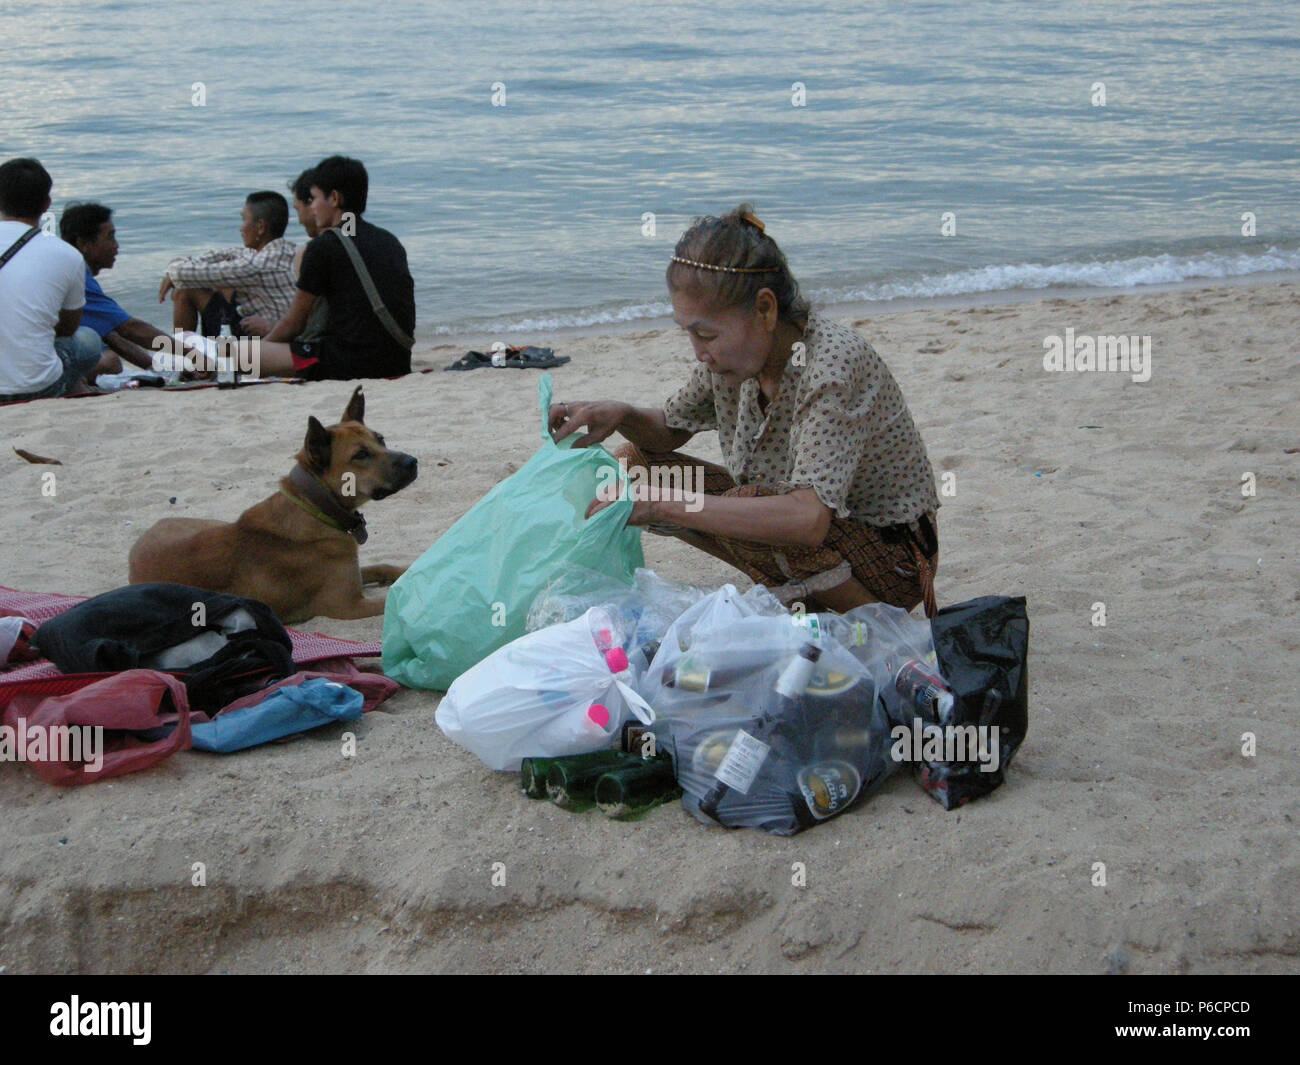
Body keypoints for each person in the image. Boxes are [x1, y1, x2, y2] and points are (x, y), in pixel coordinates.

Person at [550, 205, 942, 616]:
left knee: (751, 503)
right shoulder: (731, 362)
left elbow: (807, 519)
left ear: (766, 310)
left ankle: (878, 625)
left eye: (706, 334)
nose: (699, 352)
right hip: (810, 534)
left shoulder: (830, 368)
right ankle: (798, 590)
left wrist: (657, 505)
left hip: (892, 561)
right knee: (634, 468)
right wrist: (621, 414)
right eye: (689, 334)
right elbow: (668, 429)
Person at [256, 155, 415, 380]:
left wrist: (263, 352)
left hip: (344, 364)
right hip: (396, 361)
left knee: (233, 353)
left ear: (334, 198)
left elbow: (294, 323)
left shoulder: (324, 246)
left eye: (313, 199)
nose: (312, 208)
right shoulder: (389, 241)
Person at [0, 158, 104, 403]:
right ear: (47, 204)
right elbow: (67, 329)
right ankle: (77, 383)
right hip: (37, 388)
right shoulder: (67, 255)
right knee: (89, 340)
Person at [158, 191, 297, 336]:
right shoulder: (284, 249)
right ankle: (185, 350)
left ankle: (182, 353)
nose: (240, 228)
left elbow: (184, 273)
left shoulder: (258, 266)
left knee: (185, 288)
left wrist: (172, 269)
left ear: (260, 227)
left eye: (244, 220)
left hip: (263, 342)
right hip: (255, 325)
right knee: (189, 285)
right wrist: (178, 268)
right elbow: (229, 253)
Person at [59, 202, 176, 373]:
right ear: (84, 244)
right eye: (110, 237)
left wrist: (154, 367)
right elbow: (130, 328)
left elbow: (111, 334)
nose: (116, 245)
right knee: (110, 361)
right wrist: (193, 355)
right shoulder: (76, 271)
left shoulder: (70, 266)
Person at [239, 169, 328, 346]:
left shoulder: (314, 252)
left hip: (325, 354)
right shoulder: (380, 242)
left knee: (243, 357)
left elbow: (299, 326)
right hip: (363, 349)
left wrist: (265, 338)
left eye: (298, 209)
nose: (300, 221)